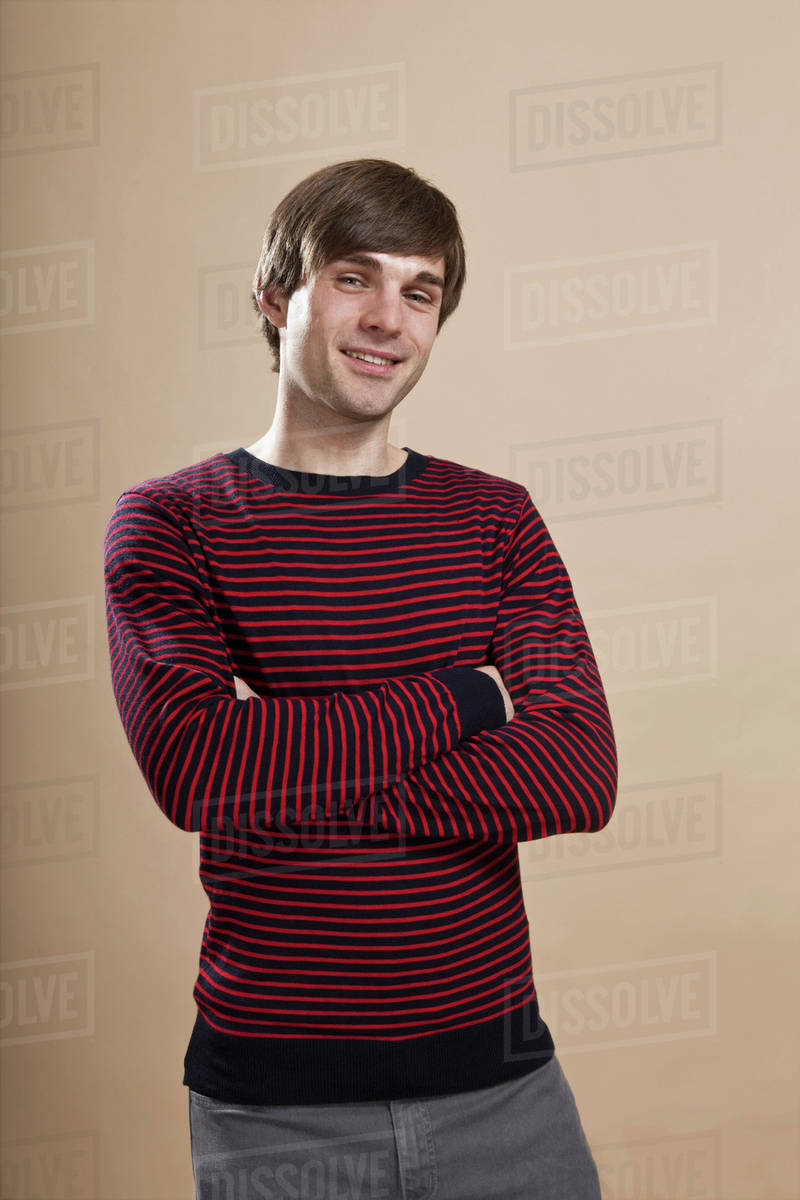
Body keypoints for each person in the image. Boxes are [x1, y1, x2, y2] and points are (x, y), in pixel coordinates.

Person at [103, 158, 617, 1199]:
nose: (388, 317)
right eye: (352, 278)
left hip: (503, 1090)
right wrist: (467, 700)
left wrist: (289, 773)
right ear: (272, 295)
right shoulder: (171, 522)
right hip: (273, 1111)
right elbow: (199, 774)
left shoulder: (494, 519)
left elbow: (575, 775)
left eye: (417, 292)